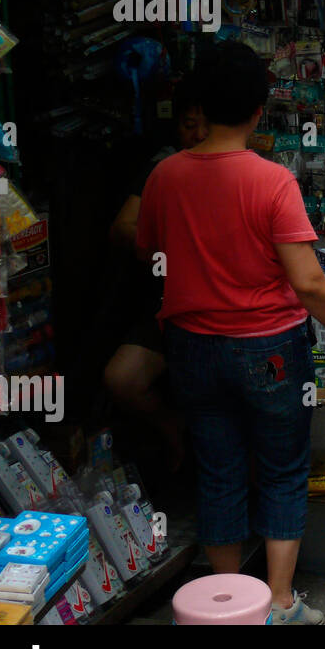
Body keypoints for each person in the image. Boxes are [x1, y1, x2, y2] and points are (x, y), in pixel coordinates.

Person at [136, 40, 325, 626]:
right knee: (283, 468)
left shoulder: (164, 177)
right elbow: (308, 281)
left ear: (202, 107)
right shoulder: (272, 181)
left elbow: (153, 253)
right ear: (260, 110)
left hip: (191, 346)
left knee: (219, 468)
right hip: (269, 348)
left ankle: (225, 603)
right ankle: (279, 603)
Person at [104, 79, 208, 468]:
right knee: (121, 380)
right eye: (188, 124)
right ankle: (171, 427)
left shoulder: (240, 168)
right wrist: (170, 251)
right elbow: (121, 228)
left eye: (205, 125)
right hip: (169, 305)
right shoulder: (162, 167)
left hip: (222, 313)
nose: (197, 135)